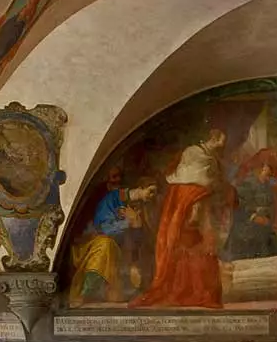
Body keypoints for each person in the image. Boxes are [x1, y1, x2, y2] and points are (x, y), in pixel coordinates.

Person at [132, 128, 228, 308]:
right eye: (222, 140)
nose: (224, 145)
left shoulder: (201, 160)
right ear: (213, 138)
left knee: (188, 243)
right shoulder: (195, 161)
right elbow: (197, 217)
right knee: (200, 251)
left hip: (183, 201)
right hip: (189, 201)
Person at [73, 167, 155, 301]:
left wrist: (137, 225)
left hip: (127, 251)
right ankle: (87, 293)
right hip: (104, 243)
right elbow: (102, 228)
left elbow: (141, 239)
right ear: (141, 187)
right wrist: (128, 222)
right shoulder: (112, 199)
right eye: (150, 191)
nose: (152, 196)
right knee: (105, 245)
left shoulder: (143, 207)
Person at [225, 163, 277, 262]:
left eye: (269, 175)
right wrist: (254, 217)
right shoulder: (248, 183)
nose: (268, 177)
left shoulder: (267, 186)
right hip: (247, 223)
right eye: (265, 173)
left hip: (265, 223)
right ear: (258, 171)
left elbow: (271, 205)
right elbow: (238, 205)